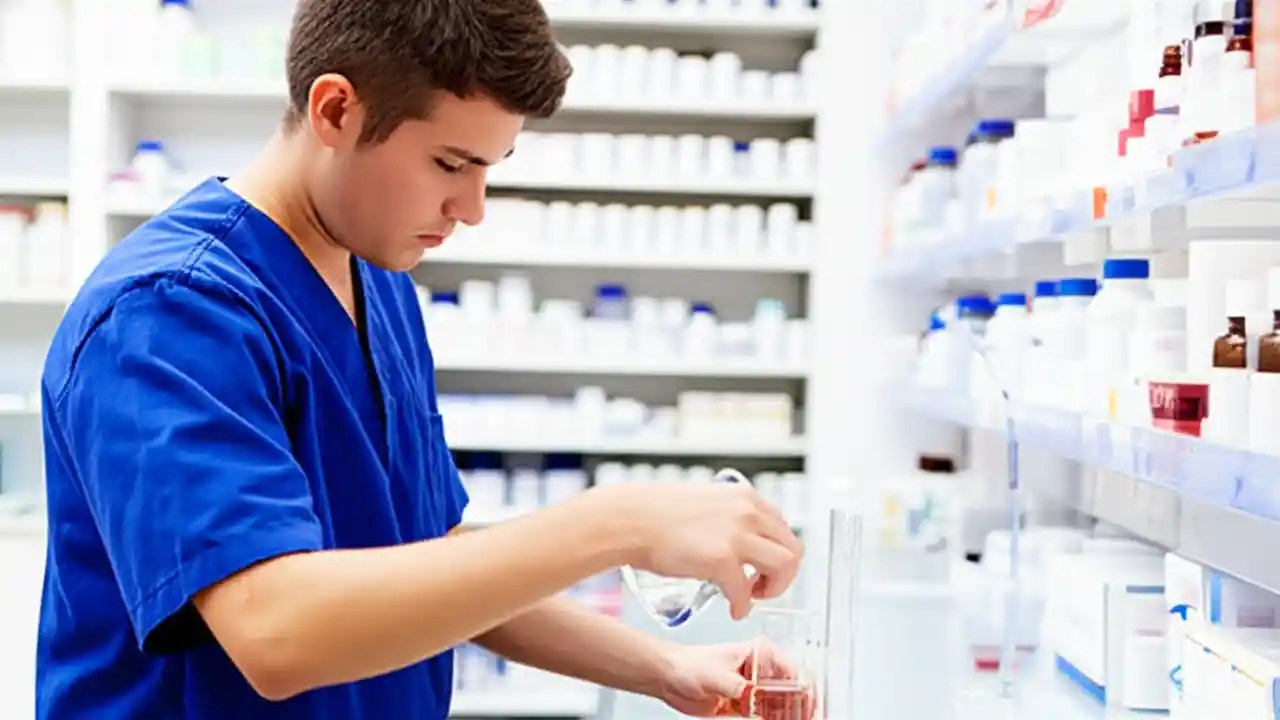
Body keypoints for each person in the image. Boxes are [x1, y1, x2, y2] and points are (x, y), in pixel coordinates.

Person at [35, 2, 806, 718]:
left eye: (488, 169)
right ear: (336, 109)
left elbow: (434, 562)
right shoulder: (168, 310)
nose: (471, 208)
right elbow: (275, 630)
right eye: (450, 164)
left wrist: (666, 668)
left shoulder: (377, 276)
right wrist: (617, 523)